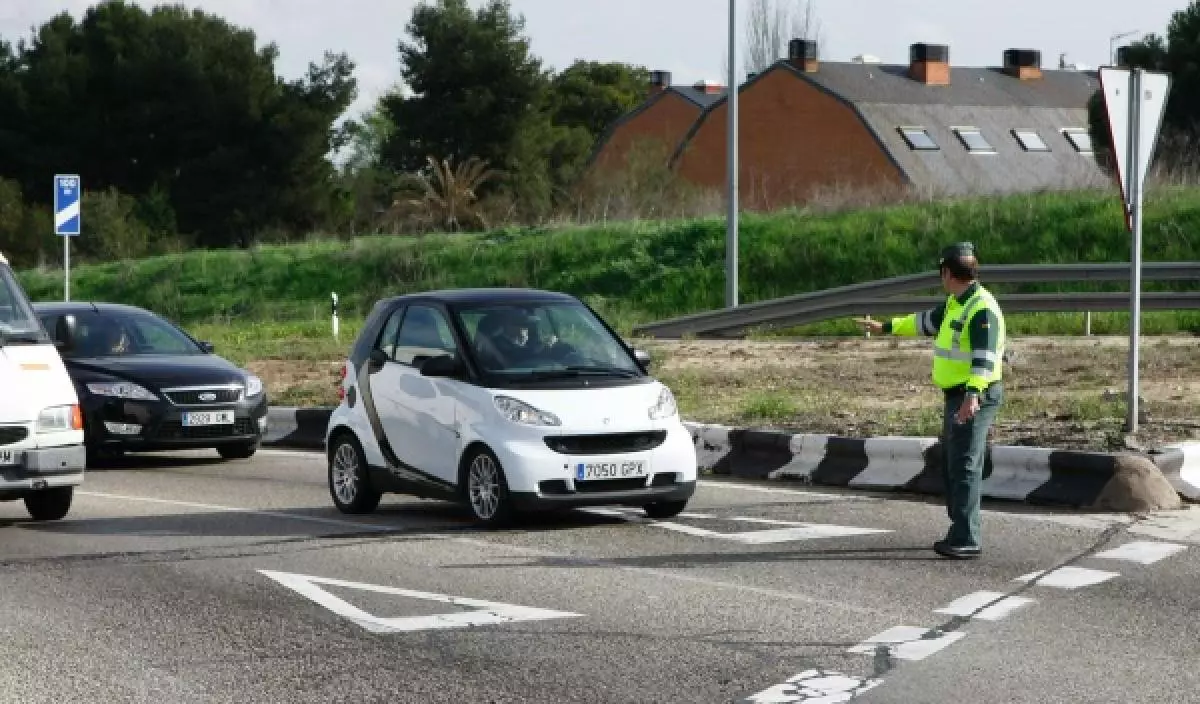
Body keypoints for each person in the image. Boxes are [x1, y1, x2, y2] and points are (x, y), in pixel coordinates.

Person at [856, 242, 1006, 559]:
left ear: (947, 272)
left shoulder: (981, 308)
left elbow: (985, 357)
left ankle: (966, 537)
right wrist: (885, 327)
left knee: (963, 465)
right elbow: (925, 321)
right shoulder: (957, 302)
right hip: (959, 395)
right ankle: (961, 528)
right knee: (956, 462)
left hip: (972, 394)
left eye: (941, 273)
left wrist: (973, 395)